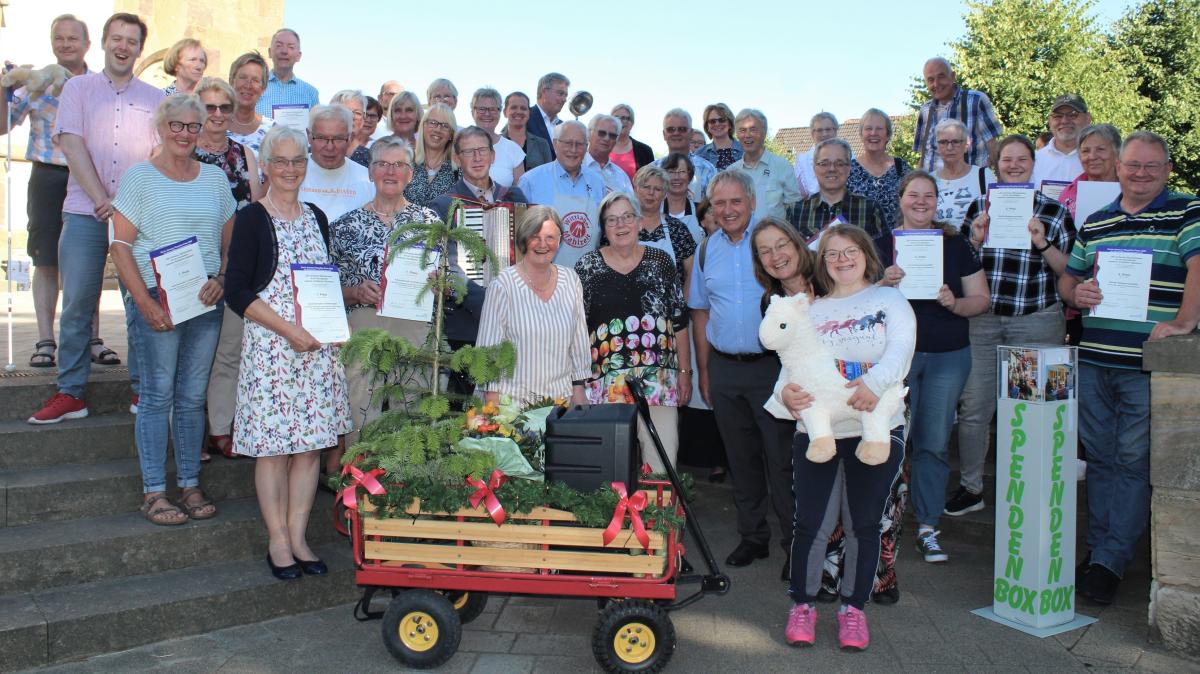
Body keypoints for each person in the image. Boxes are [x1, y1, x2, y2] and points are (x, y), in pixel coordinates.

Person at [1059, 131, 1200, 604]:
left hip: (1145, 366)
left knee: (1131, 461)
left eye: (1151, 166)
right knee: (1100, 459)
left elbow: (1198, 265)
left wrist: (1184, 321)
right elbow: (1070, 277)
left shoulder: (1186, 210)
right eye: (1133, 165)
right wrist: (1075, 294)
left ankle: (1111, 560)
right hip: (1096, 357)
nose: (1140, 174)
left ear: (1167, 170)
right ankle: (1099, 549)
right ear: (1118, 167)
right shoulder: (1097, 221)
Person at [773, 224, 915, 650]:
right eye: (832, 254)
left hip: (874, 429)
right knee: (811, 523)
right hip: (818, 432)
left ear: (865, 254)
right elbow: (791, 364)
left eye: (849, 251)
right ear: (823, 262)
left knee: (864, 523)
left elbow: (902, 349)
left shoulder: (889, 299)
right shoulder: (811, 310)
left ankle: (854, 610)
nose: (841, 259)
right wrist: (786, 393)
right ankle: (803, 604)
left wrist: (874, 383)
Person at [224, 125, 351, 580]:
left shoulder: (317, 216)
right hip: (274, 349)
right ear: (268, 166)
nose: (290, 169)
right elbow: (236, 291)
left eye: (298, 161)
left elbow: (324, 282)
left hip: (316, 350)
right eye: (280, 161)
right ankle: (277, 540)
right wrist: (288, 330)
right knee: (274, 451)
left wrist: (330, 325)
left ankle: (299, 537)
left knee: (310, 449)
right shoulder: (252, 219)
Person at [28, 12, 163, 425]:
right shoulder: (77, 88)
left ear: (140, 48)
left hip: (136, 220)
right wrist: (103, 198)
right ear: (103, 43)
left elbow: (159, 156)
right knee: (77, 304)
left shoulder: (155, 99)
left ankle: (144, 391)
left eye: (132, 41)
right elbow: (71, 143)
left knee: (141, 305)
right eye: (116, 38)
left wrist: (126, 204)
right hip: (85, 212)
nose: (123, 46)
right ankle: (71, 392)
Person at [109, 94, 236, 524]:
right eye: (176, 126)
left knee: (190, 397)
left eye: (192, 126)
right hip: (156, 298)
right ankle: (153, 491)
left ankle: (188, 483)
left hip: (204, 300)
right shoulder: (139, 178)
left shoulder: (216, 179)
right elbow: (121, 245)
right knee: (157, 395)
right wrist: (143, 302)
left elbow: (228, 240)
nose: (184, 133)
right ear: (161, 129)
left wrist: (221, 278)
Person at [950, 134, 1074, 517]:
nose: (1014, 165)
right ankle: (972, 488)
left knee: (1032, 407)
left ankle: (1032, 486)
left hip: (1035, 320)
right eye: (1007, 159)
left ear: (1033, 165)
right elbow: (961, 267)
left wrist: (1041, 242)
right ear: (996, 165)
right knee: (975, 408)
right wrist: (974, 239)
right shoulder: (978, 208)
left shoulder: (1052, 212)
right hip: (984, 323)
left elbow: (1070, 273)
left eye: (1022, 159)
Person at [876, 171, 990, 565]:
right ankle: (880, 523)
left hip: (946, 356)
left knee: (934, 443)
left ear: (936, 200)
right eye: (914, 194)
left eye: (929, 195)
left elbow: (981, 300)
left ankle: (927, 525)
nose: (921, 202)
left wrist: (954, 304)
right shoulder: (879, 245)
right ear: (901, 198)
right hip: (895, 359)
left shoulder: (956, 245)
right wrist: (880, 283)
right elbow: (852, 302)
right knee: (887, 441)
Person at [688, 170, 795, 577]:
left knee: (780, 461)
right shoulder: (705, 251)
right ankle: (753, 537)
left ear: (751, 203)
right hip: (725, 368)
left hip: (771, 368)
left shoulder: (770, 245)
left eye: (736, 202)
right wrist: (704, 370)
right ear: (710, 207)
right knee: (741, 460)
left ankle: (794, 544)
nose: (728, 210)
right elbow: (700, 312)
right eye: (720, 203)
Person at [331, 136, 441, 446]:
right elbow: (327, 290)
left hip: (413, 323)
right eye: (382, 164)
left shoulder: (428, 222)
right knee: (361, 400)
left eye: (399, 165)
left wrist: (437, 282)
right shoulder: (345, 225)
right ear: (370, 171)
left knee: (412, 398)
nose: (390, 172)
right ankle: (361, 478)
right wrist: (355, 292)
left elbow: (445, 279)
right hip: (364, 322)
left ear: (410, 174)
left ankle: (409, 480)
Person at [0, 14, 93, 370]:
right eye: (60, 39)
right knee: (46, 259)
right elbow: (4, 123)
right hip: (47, 175)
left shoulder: (96, 84)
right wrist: (3, 89)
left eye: (73, 38)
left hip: (86, 174)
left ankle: (92, 338)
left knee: (88, 259)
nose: (66, 44)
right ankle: (45, 339)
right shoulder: (35, 82)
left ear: (86, 43)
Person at [575, 192, 690, 472]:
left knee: (662, 467)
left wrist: (685, 373)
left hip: (658, 381)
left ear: (639, 222)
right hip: (605, 384)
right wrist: (577, 383)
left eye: (627, 216)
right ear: (604, 229)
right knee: (610, 469)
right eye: (612, 220)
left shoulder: (661, 261)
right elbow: (576, 332)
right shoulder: (586, 268)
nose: (621, 224)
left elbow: (679, 321)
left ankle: (660, 518)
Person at [430, 126, 530, 393]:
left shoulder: (515, 198)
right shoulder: (443, 205)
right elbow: (448, 266)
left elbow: (527, 254)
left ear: (493, 155)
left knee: (511, 403)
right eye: (468, 152)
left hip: (513, 320)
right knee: (463, 410)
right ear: (457, 159)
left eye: (482, 150)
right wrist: (490, 302)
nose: (476, 157)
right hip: (466, 322)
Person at [476, 206, 590, 406]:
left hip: (560, 406)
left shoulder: (571, 280)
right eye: (535, 237)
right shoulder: (503, 285)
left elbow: (578, 342)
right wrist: (492, 410)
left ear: (560, 240)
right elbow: (488, 352)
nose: (543, 244)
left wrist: (579, 390)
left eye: (550, 237)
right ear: (523, 239)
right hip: (512, 409)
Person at [677, 198, 729, 483]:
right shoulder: (702, 251)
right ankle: (712, 459)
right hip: (702, 328)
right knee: (704, 399)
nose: (716, 216)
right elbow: (693, 300)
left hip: (733, 337)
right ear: (703, 221)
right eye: (710, 212)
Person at [517, 120, 606, 269]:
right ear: (555, 144)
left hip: (588, 276)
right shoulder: (531, 181)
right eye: (567, 143)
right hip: (542, 276)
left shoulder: (598, 182)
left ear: (586, 147)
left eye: (579, 144)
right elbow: (518, 235)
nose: (573, 149)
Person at [788, 138, 886, 244]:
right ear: (815, 168)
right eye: (824, 163)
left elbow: (882, 255)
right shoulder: (796, 211)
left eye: (839, 163)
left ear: (849, 168)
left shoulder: (870, 209)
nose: (832, 169)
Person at [913, 57, 1003, 172]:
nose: (936, 84)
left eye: (941, 77)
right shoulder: (925, 110)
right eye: (930, 80)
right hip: (933, 186)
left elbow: (993, 148)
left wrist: (1001, 184)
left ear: (953, 76)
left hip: (971, 186)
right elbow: (924, 156)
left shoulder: (976, 101)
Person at [621, 165, 697, 293]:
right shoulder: (621, 227)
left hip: (672, 310)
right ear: (636, 189)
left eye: (657, 189)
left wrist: (683, 306)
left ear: (665, 194)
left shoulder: (677, 229)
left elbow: (692, 272)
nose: (651, 193)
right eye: (646, 187)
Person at [194, 77, 262, 211]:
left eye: (225, 107)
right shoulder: (186, 150)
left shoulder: (245, 154)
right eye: (210, 108)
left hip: (240, 231)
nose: (218, 114)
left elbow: (256, 206)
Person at [299, 104, 374, 222]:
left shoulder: (366, 179)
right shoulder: (290, 174)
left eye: (338, 139)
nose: (329, 147)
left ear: (350, 138)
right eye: (321, 138)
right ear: (308, 135)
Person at [730, 108, 801, 222]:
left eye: (753, 129)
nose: (747, 135)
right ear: (737, 135)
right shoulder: (731, 172)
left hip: (774, 237)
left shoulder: (782, 166)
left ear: (764, 132)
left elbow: (795, 209)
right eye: (742, 130)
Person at [848, 108, 909, 229]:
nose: (873, 133)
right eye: (868, 129)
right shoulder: (848, 169)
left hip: (895, 242)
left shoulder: (901, 168)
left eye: (879, 129)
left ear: (888, 135)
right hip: (860, 243)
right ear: (861, 135)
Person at [933, 118, 995, 229]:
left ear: (967, 144)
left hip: (974, 244)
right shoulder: (930, 180)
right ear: (937, 147)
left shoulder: (984, 176)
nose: (949, 147)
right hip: (939, 245)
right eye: (943, 142)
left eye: (955, 142)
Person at [1058, 124, 1121, 219]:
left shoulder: (1133, 190)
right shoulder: (1068, 194)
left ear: (1117, 153)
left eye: (1100, 149)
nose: (1092, 156)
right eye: (1085, 151)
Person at [255, 28, 319, 118]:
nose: (284, 51)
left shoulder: (311, 93)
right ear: (270, 52)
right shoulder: (255, 88)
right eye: (279, 45)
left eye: (291, 47)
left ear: (298, 56)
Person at [404, 103, 459, 207]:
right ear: (423, 127)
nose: (438, 129)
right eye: (433, 123)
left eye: (445, 126)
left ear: (451, 134)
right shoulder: (405, 163)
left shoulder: (459, 172)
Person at [655, 108, 717, 201]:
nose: (676, 133)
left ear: (691, 133)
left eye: (682, 129)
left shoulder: (708, 170)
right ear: (664, 134)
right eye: (671, 129)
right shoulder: (653, 169)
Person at [1032, 95, 1092, 189]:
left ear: (1088, 118)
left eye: (1073, 115)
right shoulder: (1033, 161)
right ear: (1050, 121)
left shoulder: (1099, 161)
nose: (1064, 121)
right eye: (1058, 116)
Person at [469, 87, 524, 187]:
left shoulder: (514, 150)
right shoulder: (458, 146)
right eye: (482, 109)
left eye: (492, 109)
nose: (487, 114)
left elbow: (519, 194)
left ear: (499, 113)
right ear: (472, 112)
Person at [226, 51, 275, 154]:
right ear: (231, 81)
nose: (248, 85)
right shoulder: (216, 125)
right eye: (243, 78)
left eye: (255, 80)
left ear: (263, 88)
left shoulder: (273, 131)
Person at [583, 114, 634, 195]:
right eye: (601, 133)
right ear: (589, 134)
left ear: (616, 141)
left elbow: (630, 204)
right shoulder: (575, 167)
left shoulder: (621, 176)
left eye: (612, 136)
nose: (606, 138)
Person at [502, 91, 552, 172]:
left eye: (523, 108)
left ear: (529, 113)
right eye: (514, 107)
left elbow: (550, 175)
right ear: (505, 112)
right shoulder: (495, 143)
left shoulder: (542, 144)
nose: (519, 112)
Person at [794, 112, 838, 198]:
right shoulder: (802, 160)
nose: (824, 134)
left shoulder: (849, 156)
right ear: (812, 134)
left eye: (828, 129)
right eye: (819, 130)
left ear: (835, 131)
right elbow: (800, 194)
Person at [526, 72, 569, 158]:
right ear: (544, 92)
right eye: (560, 93)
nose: (564, 99)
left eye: (565, 95)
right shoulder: (525, 118)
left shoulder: (564, 126)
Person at [609, 103, 654, 179]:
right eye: (617, 118)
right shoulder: (601, 147)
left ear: (632, 123)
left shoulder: (645, 151)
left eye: (626, 118)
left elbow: (652, 180)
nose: (621, 121)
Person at [329, 89, 370, 167]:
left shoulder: (373, 159)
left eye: (357, 113)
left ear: (363, 119)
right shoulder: (313, 154)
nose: (352, 116)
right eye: (345, 111)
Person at [696, 102, 743, 170]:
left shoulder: (745, 151)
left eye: (722, 120)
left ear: (730, 124)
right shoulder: (699, 155)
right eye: (712, 121)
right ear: (707, 126)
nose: (717, 124)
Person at [662, 153, 698, 234]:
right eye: (671, 172)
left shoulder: (700, 211)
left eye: (681, 171)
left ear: (689, 176)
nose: (676, 177)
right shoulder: (654, 210)